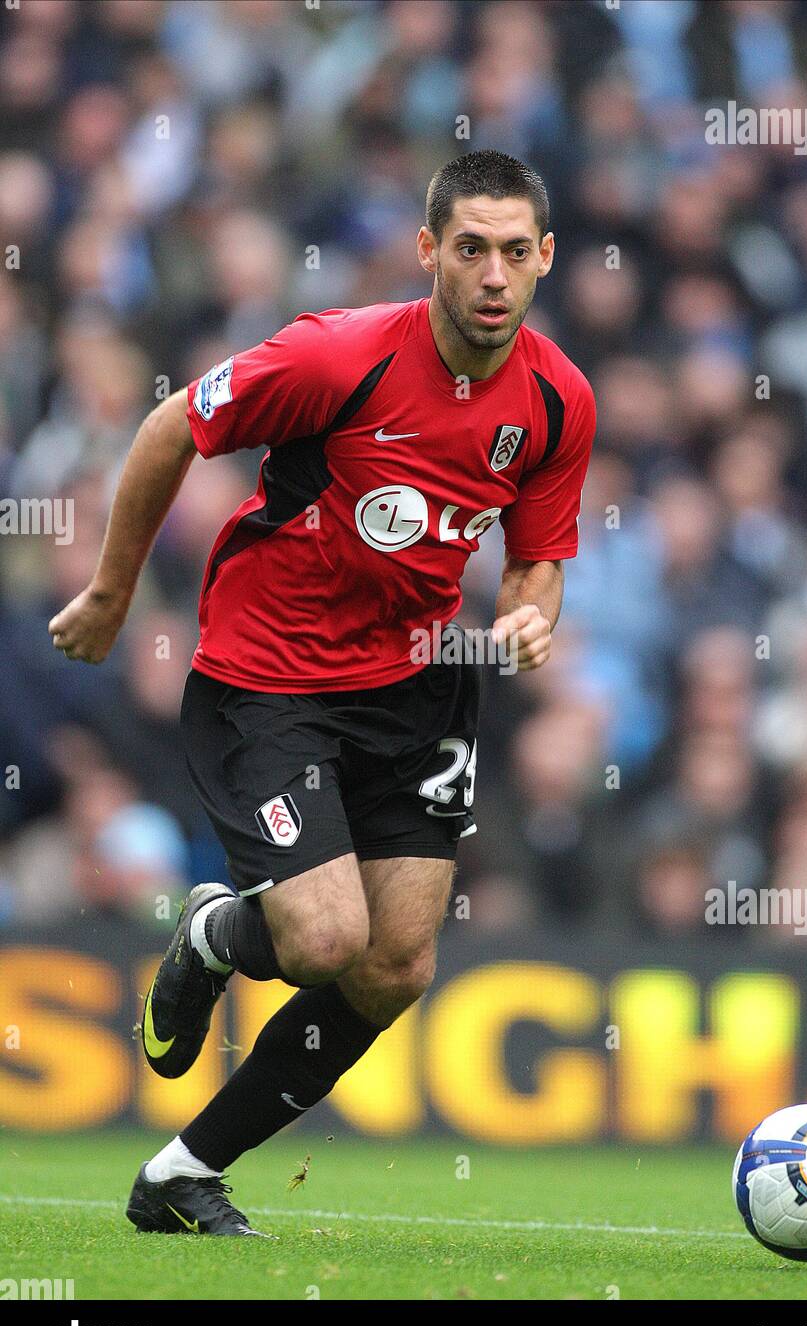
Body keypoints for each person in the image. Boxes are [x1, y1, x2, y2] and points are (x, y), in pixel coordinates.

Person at [48, 149, 597, 1237]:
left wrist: (532, 612)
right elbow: (171, 429)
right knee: (322, 942)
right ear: (429, 249)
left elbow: (539, 557)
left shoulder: (556, 399)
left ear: (546, 259)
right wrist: (114, 592)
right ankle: (215, 933)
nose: (494, 274)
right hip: (272, 674)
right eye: (472, 248)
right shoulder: (335, 355)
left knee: (397, 966)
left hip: (422, 683)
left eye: (516, 251)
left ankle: (178, 1175)